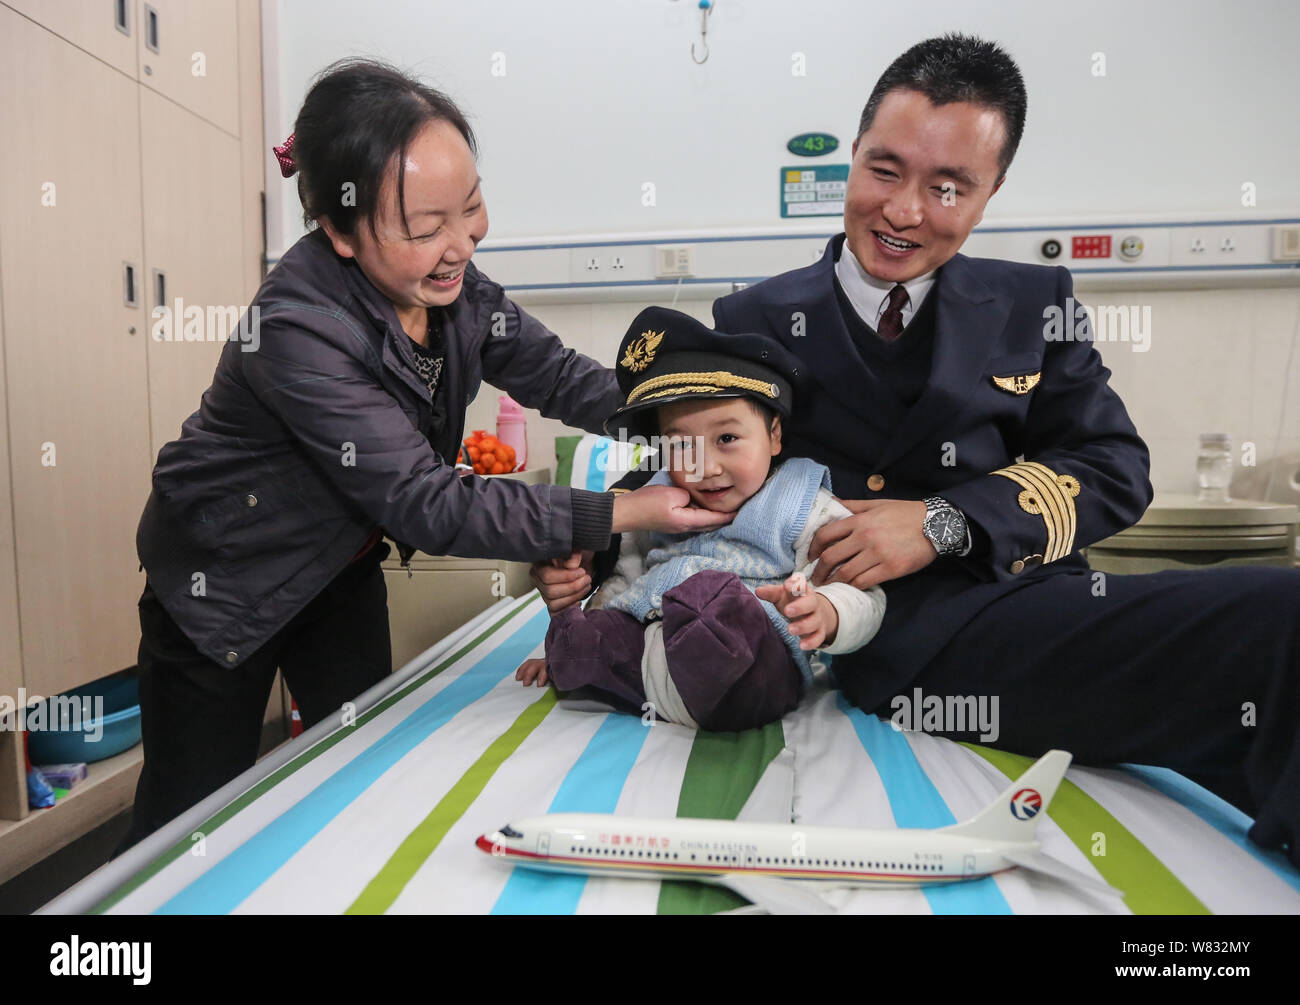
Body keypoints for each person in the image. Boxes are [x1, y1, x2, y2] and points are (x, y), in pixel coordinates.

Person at [532, 34, 1300, 866]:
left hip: (1020, 594)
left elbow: (1113, 465)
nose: (904, 211)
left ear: (991, 191)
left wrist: (942, 520)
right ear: (853, 157)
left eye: (948, 187)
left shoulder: (1033, 301)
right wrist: (595, 554)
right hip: (893, 638)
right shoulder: (753, 315)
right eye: (885, 170)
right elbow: (690, 463)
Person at [118, 60, 733, 853]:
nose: (461, 244)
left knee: (362, 765)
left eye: (471, 208)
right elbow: (426, 499)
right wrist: (628, 507)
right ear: (340, 231)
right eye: (424, 226)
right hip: (222, 583)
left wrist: (694, 425)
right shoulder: (298, 325)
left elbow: (565, 378)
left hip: (336, 567)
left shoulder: (460, 294)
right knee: (183, 824)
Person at [519, 308, 885, 731]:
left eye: (727, 439)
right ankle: (590, 664)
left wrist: (828, 611)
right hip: (653, 650)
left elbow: (864, 593)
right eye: (679, 446)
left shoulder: (802, 502)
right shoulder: (654, 501)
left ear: (775, 434)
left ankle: (697, 677)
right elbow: (625, 579)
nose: (703, 468)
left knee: (712, 598)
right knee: (587, 629)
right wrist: (585, 627)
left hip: (749, 661)